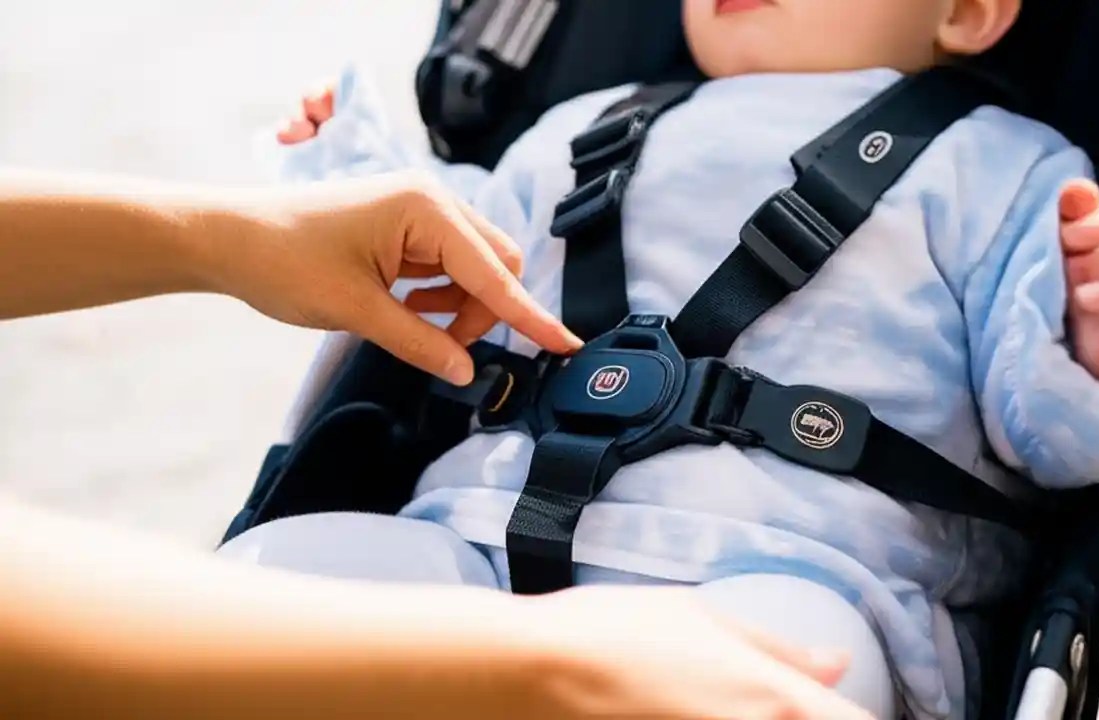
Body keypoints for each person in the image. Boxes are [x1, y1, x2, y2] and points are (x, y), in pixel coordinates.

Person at [239, 0, 1099, 717]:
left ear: (965, 12)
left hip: (798, 578)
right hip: (479, 548)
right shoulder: (570, 131)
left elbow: (1053, 443)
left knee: (798, 673)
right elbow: (440, 296)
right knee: (267, 583)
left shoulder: (1006, 166)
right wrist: (356, 186)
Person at [0, 168, 869, 719]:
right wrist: (532, 669)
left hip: (771, 571)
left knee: (799, 642)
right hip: (475, 560)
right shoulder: (578, 138)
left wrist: (223, 236)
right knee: (295, 557)